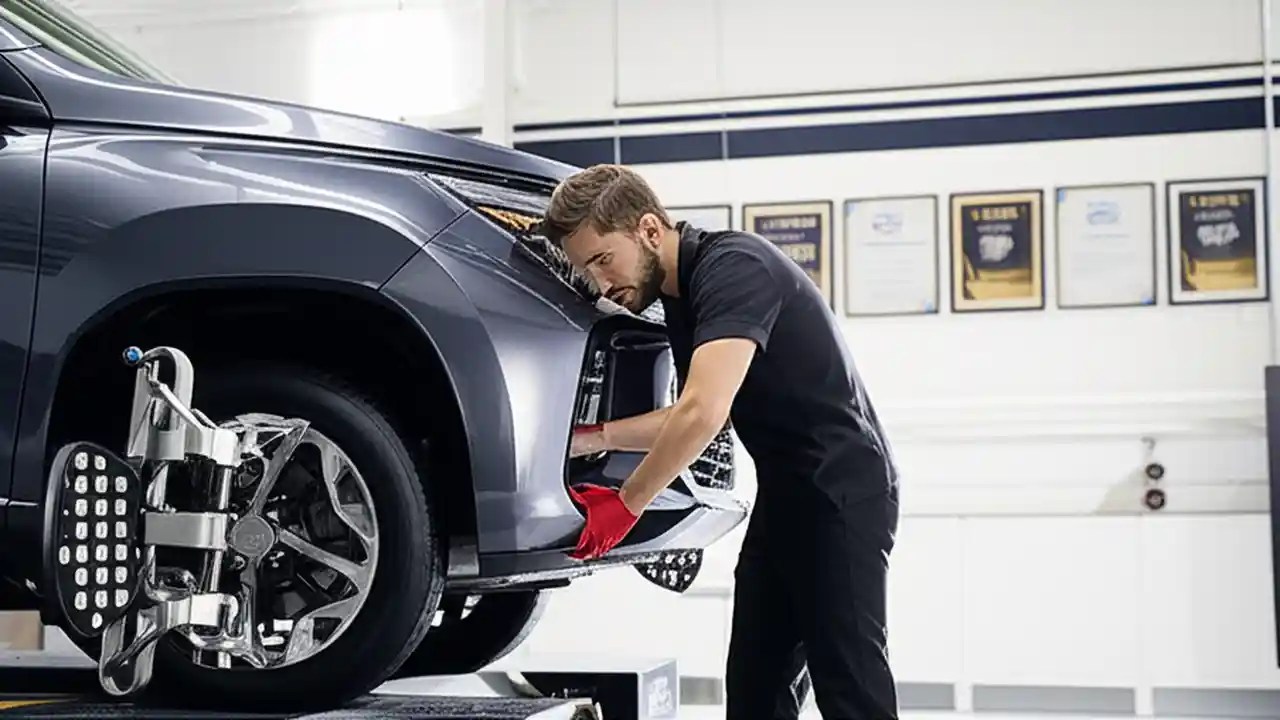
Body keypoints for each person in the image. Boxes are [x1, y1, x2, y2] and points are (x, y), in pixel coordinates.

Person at [541, 164, 900, 720]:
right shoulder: (682, 296)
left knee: (850, 688)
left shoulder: (734, 269)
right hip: (787, 495)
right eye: (588, 270)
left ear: (649, 230)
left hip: (842, 493)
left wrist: (626, 504)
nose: (600, 284)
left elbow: (704, 412)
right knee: (755, 689)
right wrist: (596, 438)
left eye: (602, 260)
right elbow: (700, 408)